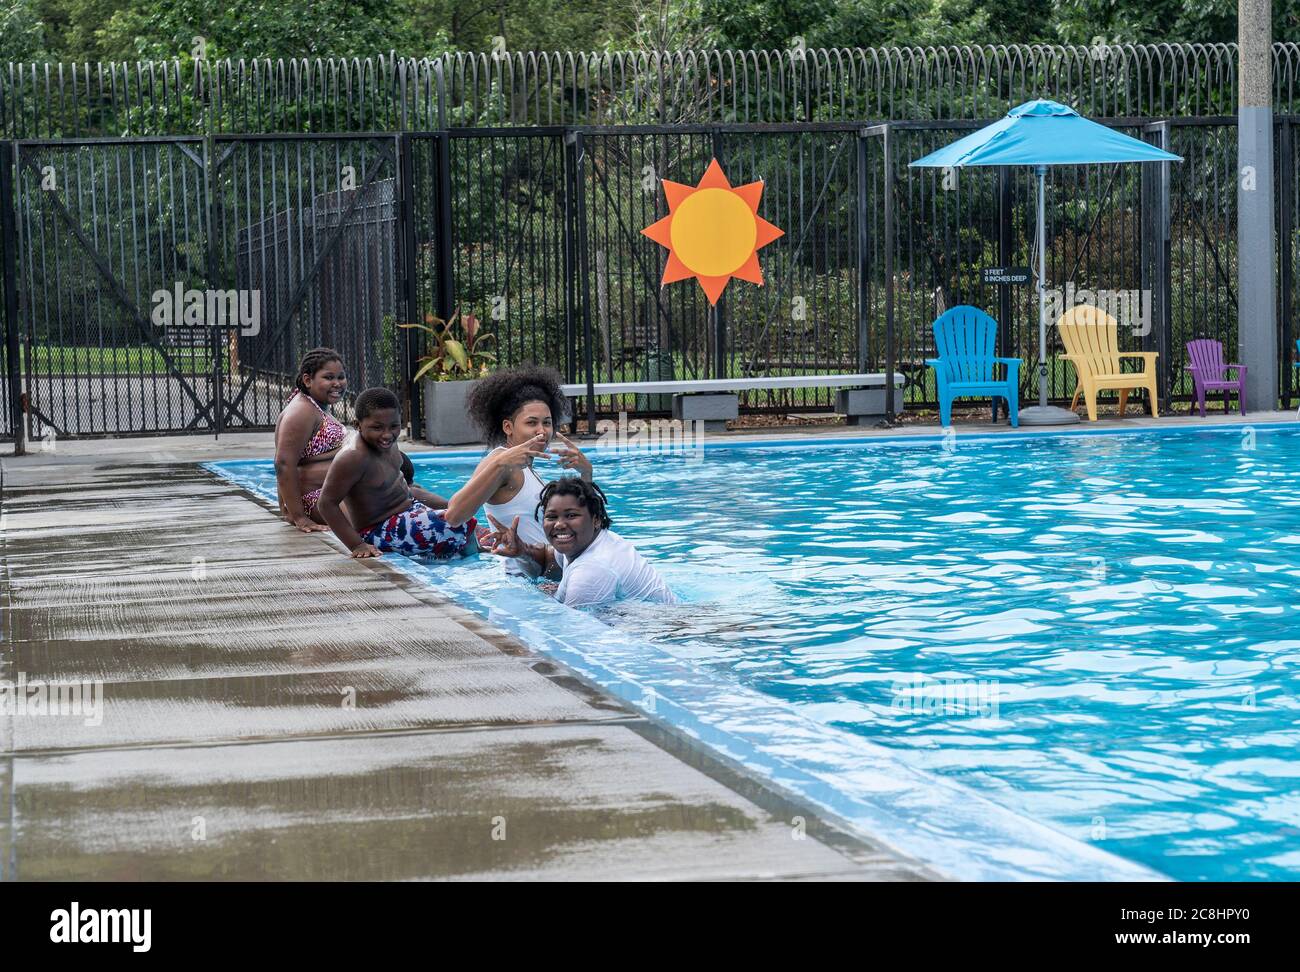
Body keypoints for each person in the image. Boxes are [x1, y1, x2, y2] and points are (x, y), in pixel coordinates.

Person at [444, 366, 593, 575]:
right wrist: (501, 463)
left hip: (544, 581)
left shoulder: (529, 470)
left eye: (547, 423)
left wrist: (586, 473)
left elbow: (584, 523)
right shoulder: (501, 461)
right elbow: (454, 515)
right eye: (531, 423)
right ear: (508, 427)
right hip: (523, 584)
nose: (542, 431)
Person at [316, 388, 473, 560]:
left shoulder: (389, 443)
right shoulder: (353, 456)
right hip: (379, 529)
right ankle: (471, 558)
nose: (387, 434)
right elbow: (326, 503)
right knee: (456, 524)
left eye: (394, 426)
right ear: (358, 425)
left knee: (461, 514)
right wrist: (356, 544)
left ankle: (470, 555)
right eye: (377, 428)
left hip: (409, 511)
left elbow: (404, 487)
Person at [485, 478, 675, 608]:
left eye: (571, 515)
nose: (559, 524)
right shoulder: (588, 543)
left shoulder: (592, 569)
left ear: (596, 520)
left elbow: (570, 632)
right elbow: (546, 560)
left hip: (665, 635)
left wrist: (552, 597)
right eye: (551, 516)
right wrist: (522, 551)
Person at [274, 348, 348, 532]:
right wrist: (299, 516)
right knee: (374, 519)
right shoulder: (302, 411)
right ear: (308, 380)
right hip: (317, 499)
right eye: (329, 377)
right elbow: (283, 464)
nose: (337, 383)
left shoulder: (316, 406)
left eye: (341, 377)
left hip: (331, 493)